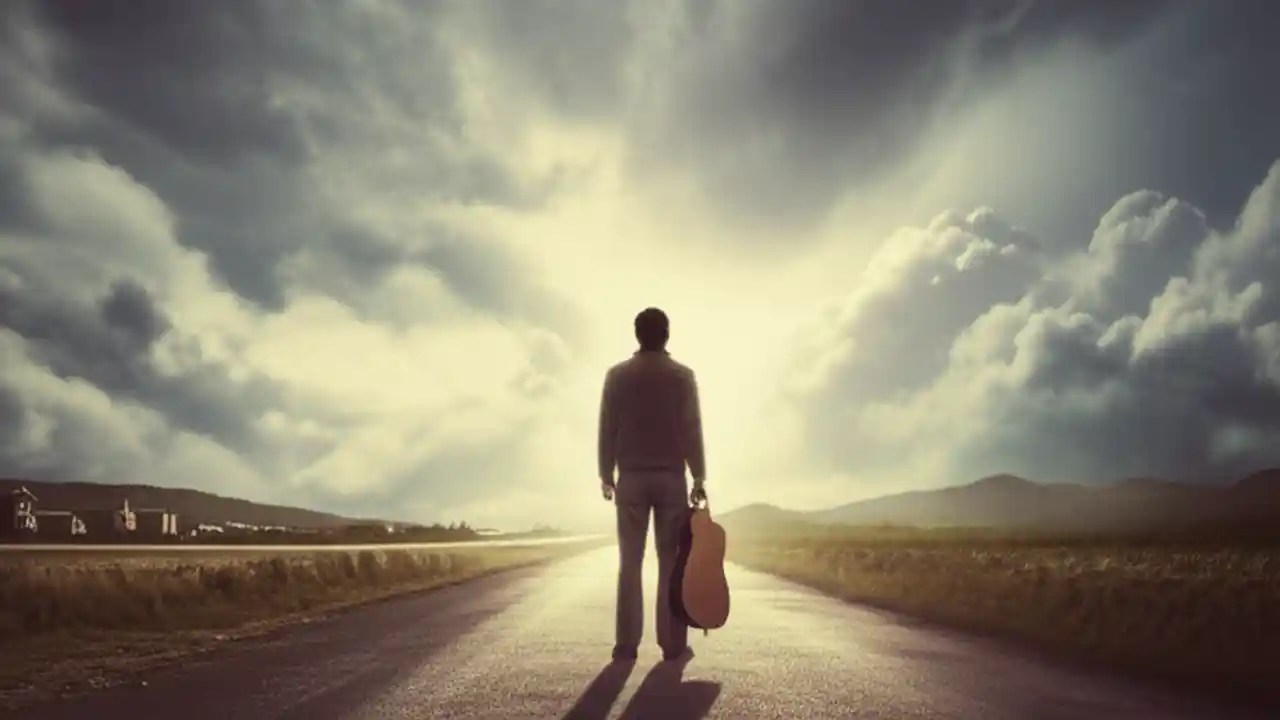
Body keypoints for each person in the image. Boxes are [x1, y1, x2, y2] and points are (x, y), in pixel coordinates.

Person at [598, 307, 706, 662]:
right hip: (671, 478)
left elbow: (607, 427)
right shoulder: (682, 376)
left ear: (637, 334)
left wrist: (605, 473)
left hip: (630, 478)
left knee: (629, 562)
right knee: (671, 562)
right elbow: (692, 428)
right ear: (667, 335)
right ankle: (673, 644)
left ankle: (626, 644)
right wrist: (699, 474)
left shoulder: (617, 376)